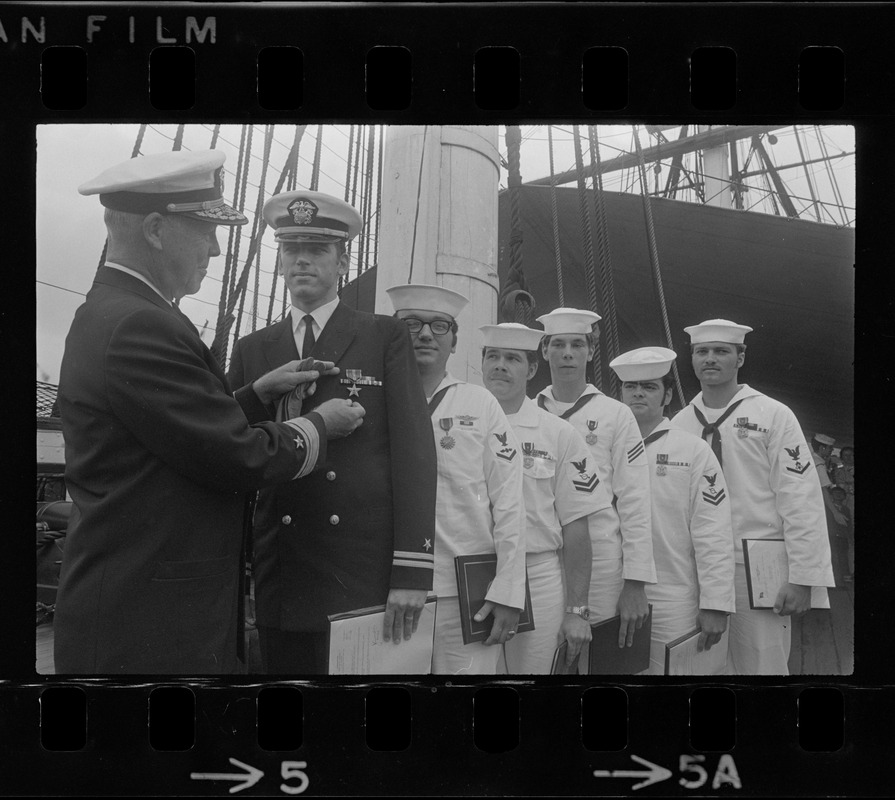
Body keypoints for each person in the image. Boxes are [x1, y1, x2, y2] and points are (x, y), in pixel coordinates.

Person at [56, 150, 364, 674]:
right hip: (150, 619)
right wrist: (319, 425)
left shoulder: (118, 313)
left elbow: (168, 430)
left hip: (143, 603)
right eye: (205, 231)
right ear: (155, 230)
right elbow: (235, 458)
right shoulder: (141, 326)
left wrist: (254, 395)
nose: (217, 249)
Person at [228, 191, 437, 674]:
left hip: (359, 569)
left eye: (317, 250)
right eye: (291, 249)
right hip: (282, 565)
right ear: (279, 262)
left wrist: (411, 572)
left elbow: (415, 456)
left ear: (342, 261)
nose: (302, 260)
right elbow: (232, 451)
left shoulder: (383, 335)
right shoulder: (254, 349)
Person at [672, 319, 835, 675]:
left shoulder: (774, 415)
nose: (710, 359)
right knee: (698, 666)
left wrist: (803, 576)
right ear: (692, 359)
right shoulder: (679, 424)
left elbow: (801, 497)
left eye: (721, 351)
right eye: (702, 352)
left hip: (757, 567)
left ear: (740, 358)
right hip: (696, 566)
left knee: (763, 666)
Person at [386, 284, 526, 675]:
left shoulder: (480, 405)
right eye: (412, 324)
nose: (426, 334)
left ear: (454, 340)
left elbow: (510, 500)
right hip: (390, 586)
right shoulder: (375, 400)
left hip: (466, 591)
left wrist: (509, 591)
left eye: (439, 326)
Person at [481, 323, 614, 673]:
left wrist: (577, 611)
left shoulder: (557, 433)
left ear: (533, 369)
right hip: (474, 571)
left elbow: (576, 525)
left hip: (536, 574)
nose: (500, 365)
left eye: (512, 358)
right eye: (492, 356)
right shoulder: (464, 426)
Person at [535, 308, 656, 650]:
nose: (568, 353)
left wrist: (635, 582)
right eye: (558, 344)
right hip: (544, 556)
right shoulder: (531, 411)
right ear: (544, 351)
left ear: (590, 351)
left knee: (591, 660)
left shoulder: (615, 415)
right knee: (545, 659)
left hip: (600, 560)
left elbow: (634, 499)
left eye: (577, 344)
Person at [609, 347, 735, 675]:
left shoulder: (692, 450)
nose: (638, 393)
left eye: (649, 386)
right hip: (606, 589)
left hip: (670, 595)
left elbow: (713, 530)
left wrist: (715, 603)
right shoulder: (600, 444)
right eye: (630, 386)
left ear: (667, 396)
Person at [811, 433, 849, 528]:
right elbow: (824, 490)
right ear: (821, 448)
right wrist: (835, 513)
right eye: (830, 448)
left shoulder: (811, 460)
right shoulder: (819, 464)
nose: (832, 451)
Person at [826, 485, 853, 586]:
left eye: (841, 494)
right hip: (831, 535)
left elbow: (849, 524)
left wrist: (850, 537)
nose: (838, 495)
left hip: (843, 537)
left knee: (843, 557)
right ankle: (835, 580)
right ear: (831, 496)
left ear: (844, 496)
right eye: (835, 493)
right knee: (833, 557)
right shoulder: (828, 508)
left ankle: (846, 579)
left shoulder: (846, 509)